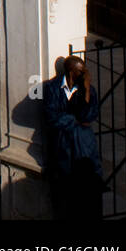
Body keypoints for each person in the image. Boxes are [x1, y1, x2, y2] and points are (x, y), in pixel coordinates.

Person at [44, 55, 104, 221]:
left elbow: (89, 116)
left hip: (83, 147)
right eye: (80, 71)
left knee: (87, 193)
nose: (84, 74)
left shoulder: (89, 91)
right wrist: (75, 119)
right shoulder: (52, 88)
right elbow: (52, 118)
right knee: (64, 194)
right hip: (62, 147)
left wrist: (85, 91)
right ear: (71, 72)